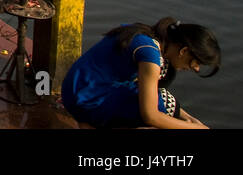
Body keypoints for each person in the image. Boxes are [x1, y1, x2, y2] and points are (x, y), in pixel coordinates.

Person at [62, 18, 220, 129]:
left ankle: (91, 121)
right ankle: (90, 121)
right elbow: (150, 115)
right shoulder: (151, 57)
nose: (196, 68)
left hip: (78, 87)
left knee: (163, 99)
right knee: (159, 107)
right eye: (196, 62)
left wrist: (189, 120)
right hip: (83, 98)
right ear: (184, 51)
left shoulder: (146, 35)